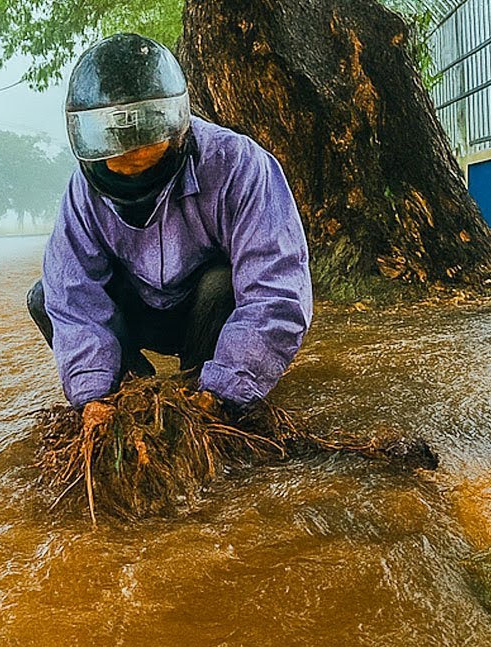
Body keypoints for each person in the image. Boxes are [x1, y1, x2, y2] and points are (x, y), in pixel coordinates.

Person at [28, 33, 313, 429]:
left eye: (146, 143)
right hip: (139, 311)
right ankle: (126, 391)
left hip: (206, 313)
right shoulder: (82, 193)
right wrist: (94, 397)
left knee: (221, 285)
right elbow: (73, 298)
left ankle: (207, 387)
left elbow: (275, 290)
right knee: (44, 296)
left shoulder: (240, 166)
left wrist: (224, 391)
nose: (131, 156)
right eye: (116, 147)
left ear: (176, 124)